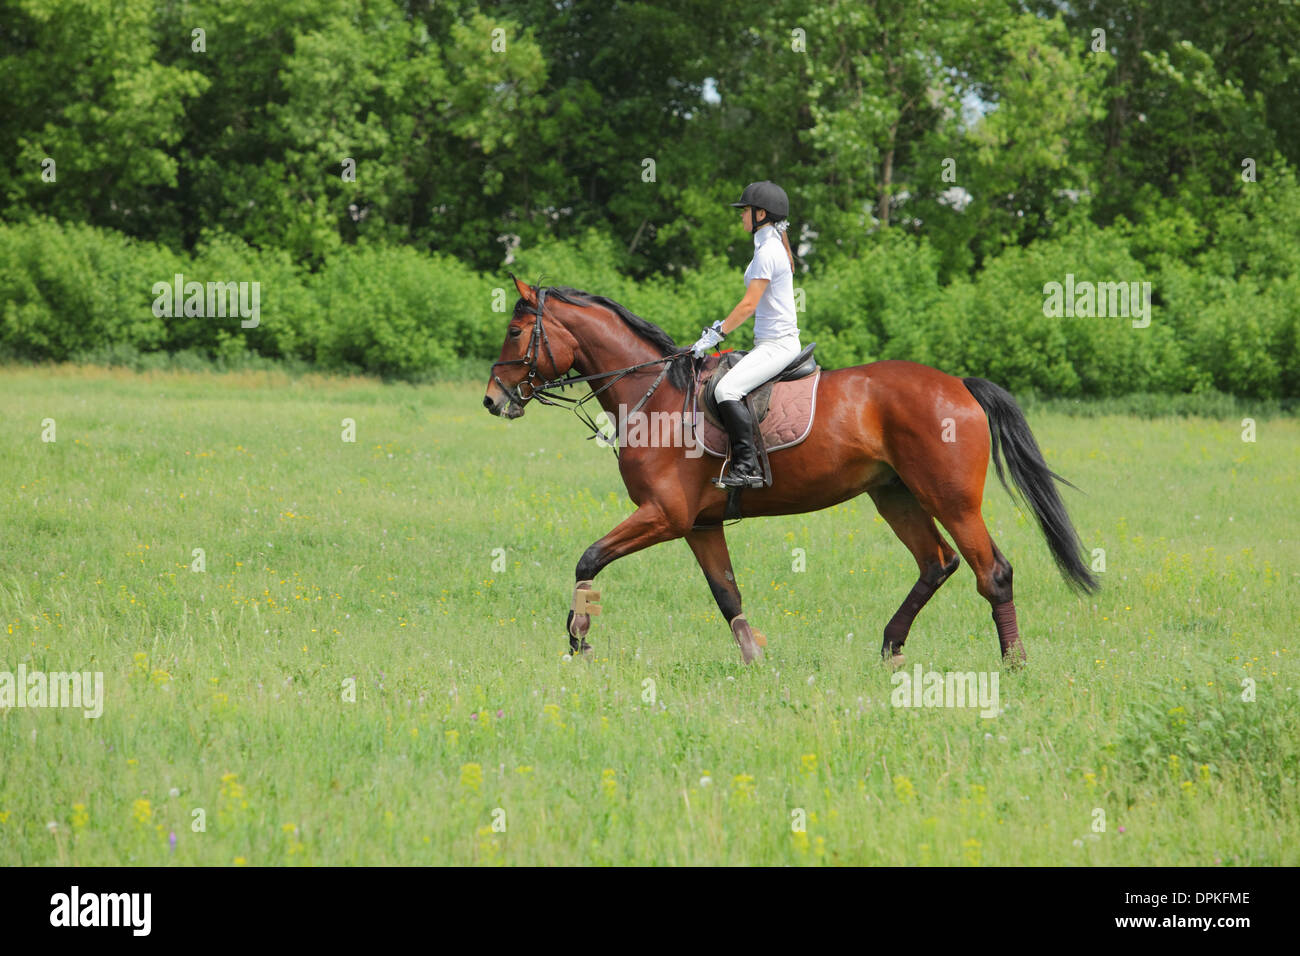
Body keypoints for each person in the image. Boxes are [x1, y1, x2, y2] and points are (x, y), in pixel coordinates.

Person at [690, 180, 799, 488]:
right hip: (768, 343)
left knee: (726, 390)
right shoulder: (767, 247)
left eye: (745, 211)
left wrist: (716, 334)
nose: (741, 217)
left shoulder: (769, 252)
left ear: (761, 214)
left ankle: (748, 467)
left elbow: (749, 304)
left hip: (778, 346)